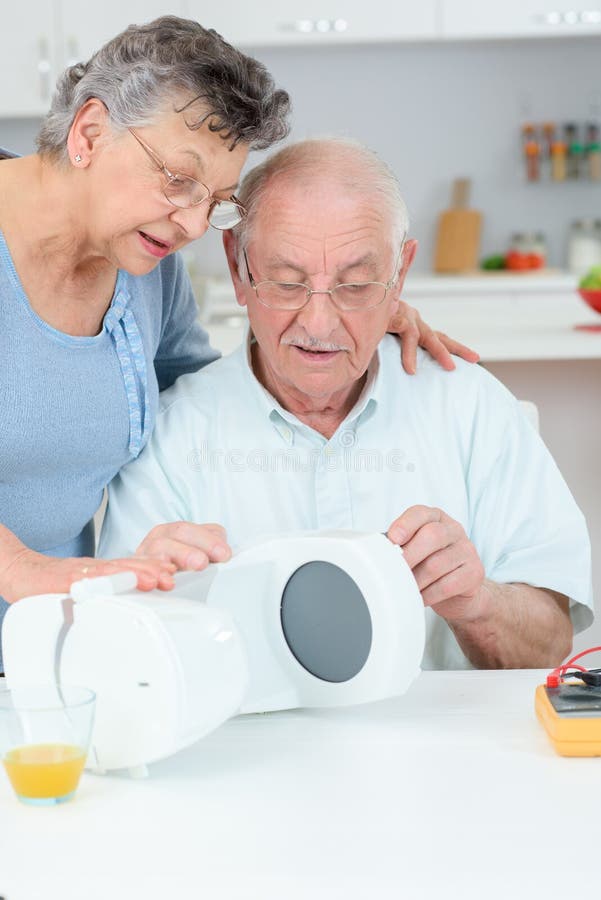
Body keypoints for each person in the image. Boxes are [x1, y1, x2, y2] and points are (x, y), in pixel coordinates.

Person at [0, 17, 476, 670]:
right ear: (88, 133)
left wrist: (348, 309)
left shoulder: (146, 269)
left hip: (46, 654)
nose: (194, 223)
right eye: (177, 180)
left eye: (217, 201)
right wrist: (23, 569)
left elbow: (207, 399)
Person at [100, 138, 593, 670]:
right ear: (239, 270)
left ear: (399, 275)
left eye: (356, 286)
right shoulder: (172, 432)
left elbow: (551, 642)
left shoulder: (471, 407)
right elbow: (113, 654)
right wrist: (151, 605)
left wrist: (478, 604)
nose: (318, 324)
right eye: (287, 284)